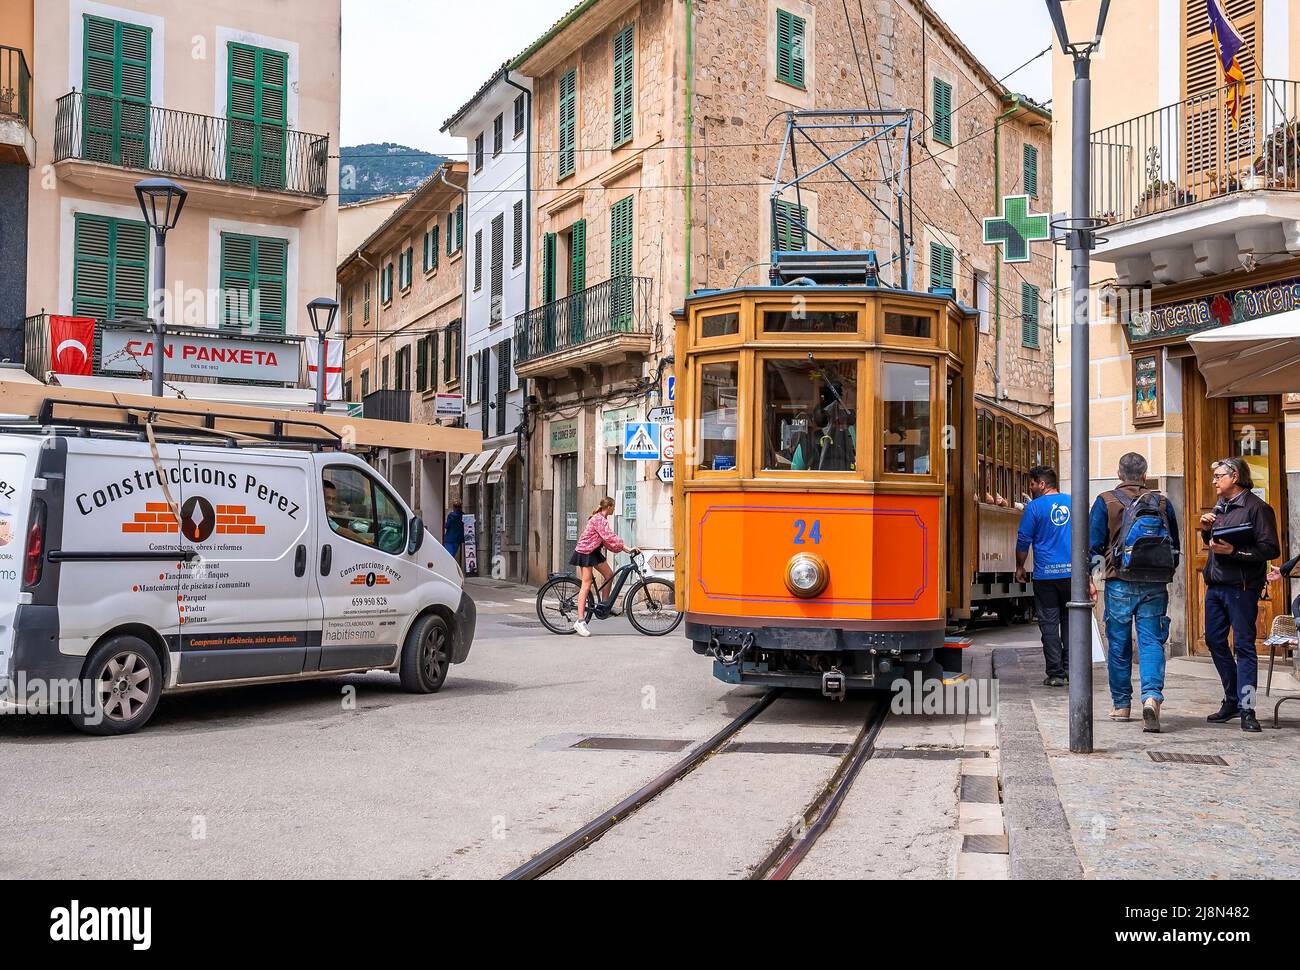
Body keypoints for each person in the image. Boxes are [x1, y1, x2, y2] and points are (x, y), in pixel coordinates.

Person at [1088, 453, 1179, 732]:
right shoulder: (1163, 502)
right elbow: (1174, 543)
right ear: (1144, 474)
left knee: (1119, 644)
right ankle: (1151, 698)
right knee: (1152, 641)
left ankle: (1121, 705)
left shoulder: (1106, 501)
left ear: (1118, 473)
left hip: (1119, 582)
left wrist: (1092, 579)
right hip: (1155, 583)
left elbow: (1093, 545)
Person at [1200, 457, 1281, 733]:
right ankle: (1233, 698)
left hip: (1242, 588)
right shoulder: (1220, 507)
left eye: (1218, 475)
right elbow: (1215, 543)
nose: (1214, 481)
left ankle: (1248, 708)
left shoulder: (1257, 508)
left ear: (1234, 477)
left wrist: (1234, 552)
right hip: (1215, 586)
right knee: (1213, 640)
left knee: (1245, 647)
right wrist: (1206, 530)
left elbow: (1271, 549)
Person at [1016, 465, 1073, 687]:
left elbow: (1023, 540)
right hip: (1071, 576)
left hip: (1045, 576)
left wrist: (1019, 566)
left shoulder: (1034, 508)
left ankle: (1056, 674)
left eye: (1031, 483)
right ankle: (1071, 669)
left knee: (1049, 625)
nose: (1030, 488)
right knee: (1070, 622)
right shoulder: (1072, 502)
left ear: (1042, 484)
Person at [570, 496, 638, 638]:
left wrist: (624, 549)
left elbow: (607, 542)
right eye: (613, 507)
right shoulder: (598, 519)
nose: (614, 509)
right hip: (585, 552)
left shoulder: (601, 519)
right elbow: (610, 537)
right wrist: (627, 548)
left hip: (593, 551)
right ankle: (580, 621)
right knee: (586, 585)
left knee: (609, 575)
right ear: (609, 507)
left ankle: (604, 605)